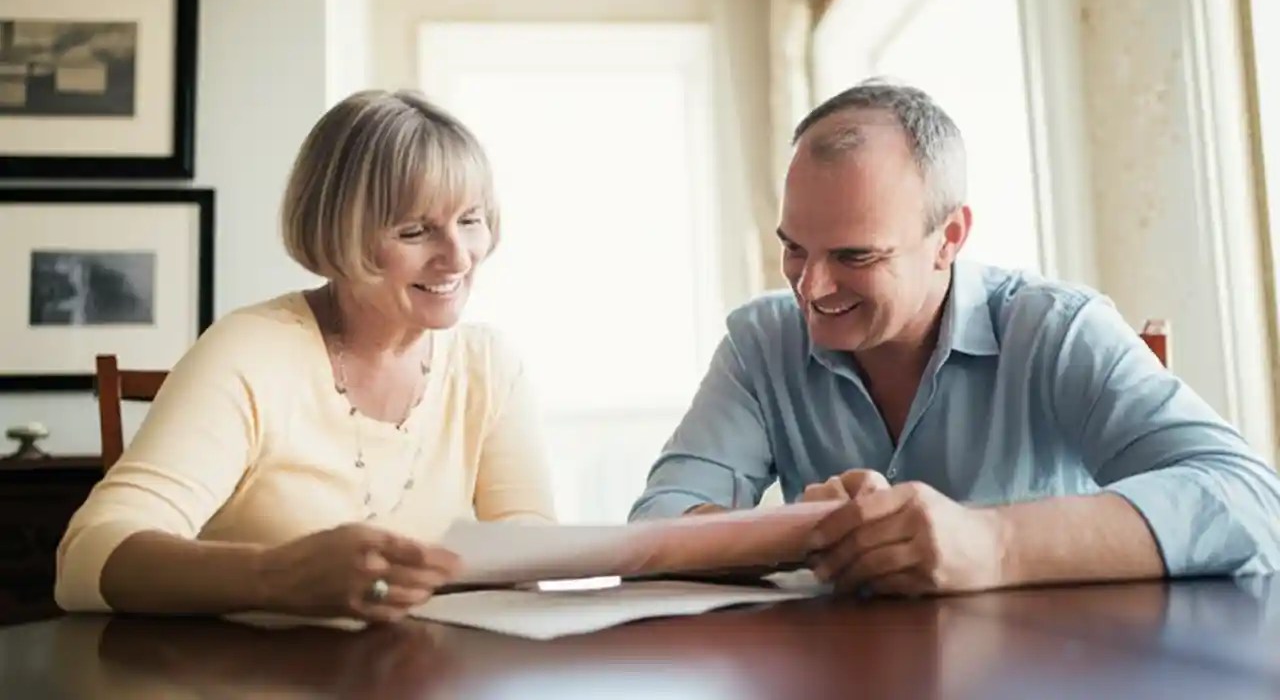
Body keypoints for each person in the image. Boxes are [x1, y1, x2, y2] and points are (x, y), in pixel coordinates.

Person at [629, 79, 1280, 596]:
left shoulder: (1057, 329)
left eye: (856, 256)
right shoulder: (759, 343)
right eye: (795, 249)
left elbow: (1254, 504)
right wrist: (799, 531)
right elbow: (655, 529)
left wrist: (991, 543)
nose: (813, 289)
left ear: (949, 239)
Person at [55, 89, 555, 623]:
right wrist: (279, 575)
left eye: (471, 220)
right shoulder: (249, 353)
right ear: (337, 233)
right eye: (415, 231)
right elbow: (88, 558)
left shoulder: (489, 366)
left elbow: (530, 555)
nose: (458, 257)